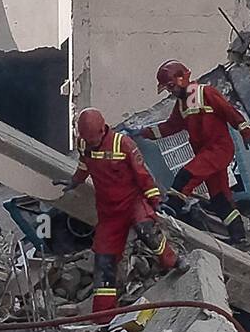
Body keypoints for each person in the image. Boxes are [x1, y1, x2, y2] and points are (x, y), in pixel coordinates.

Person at [57, 108, 188, 320]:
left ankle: (172, 260)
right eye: (87, 140)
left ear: (102, 129)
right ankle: (103, 315)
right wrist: (74, 181)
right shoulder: (85, 145)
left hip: (133, 201)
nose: (90, 144)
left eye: (93, 139)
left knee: (148, 232)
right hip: (109, 212)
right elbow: (84, 165)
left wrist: (154, 200)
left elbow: (143, 175)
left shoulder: (124, 144)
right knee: (104, 260)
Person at [131, 60, 250, 245]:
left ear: (182, 78)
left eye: (171, 87)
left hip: (218, 149)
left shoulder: (205, 92)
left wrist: (247, 133)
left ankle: (171, 208)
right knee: (220, 199)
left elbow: (229, 112)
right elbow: (171, 127)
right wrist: (143, 132)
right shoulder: (182, 105)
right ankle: (238, 235)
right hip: (207, 152)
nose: (171, 91)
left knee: (186, 176)